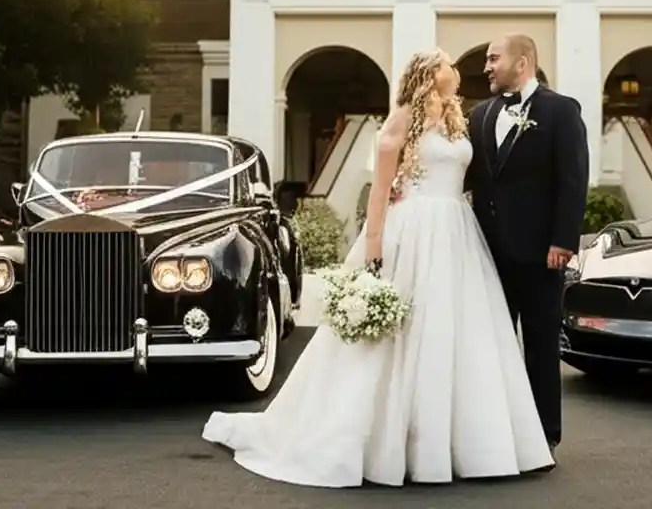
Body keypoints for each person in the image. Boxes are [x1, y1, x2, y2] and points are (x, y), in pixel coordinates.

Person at [201, 48, 553, 487]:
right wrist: (373, 246)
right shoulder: (402, 118)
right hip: (413, 230)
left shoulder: (458, 118)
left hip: (458, 232)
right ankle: (387, 443)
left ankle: (464, 445)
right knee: (398, 336)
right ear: (429, 73)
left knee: (459, 334)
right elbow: (382, 187)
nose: (456, 72)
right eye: (447, 65)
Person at [464, 34, 590, 463]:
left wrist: (563, 240)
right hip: (485, 252)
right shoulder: (480, 115)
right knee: (491, 345)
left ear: (522, 62)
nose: (486, 66)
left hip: (540, 252)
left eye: (493, 58)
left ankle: (543, 436)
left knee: (539, 345)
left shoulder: (561, 110)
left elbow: (572, 180)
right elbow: (472, 177)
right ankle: (497, 434)